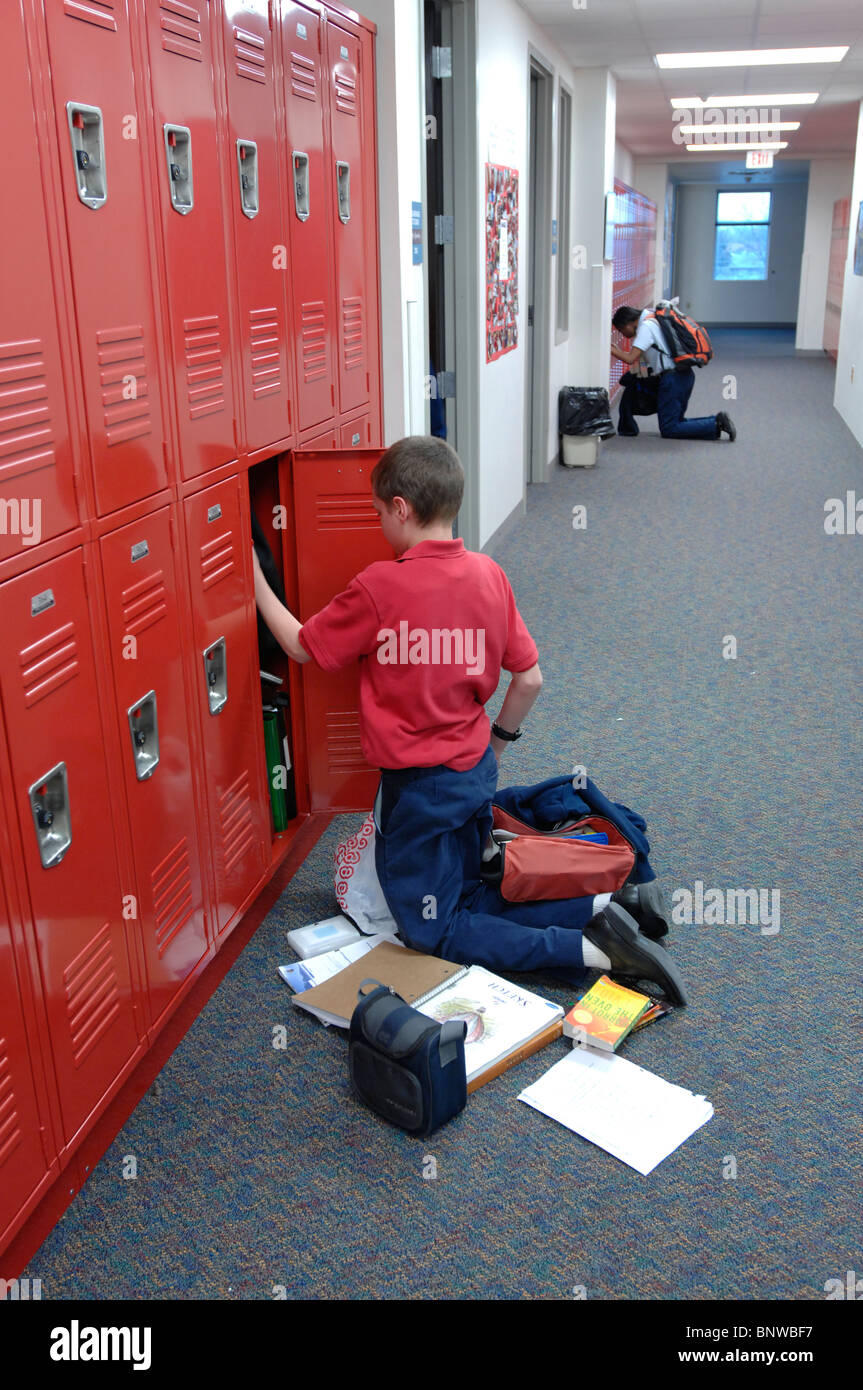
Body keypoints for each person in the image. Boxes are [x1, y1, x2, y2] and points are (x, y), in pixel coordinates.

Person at [252, 435, 687, 1003]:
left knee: (434, 928)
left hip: (419, 792)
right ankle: (604, 904)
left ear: (401, 508)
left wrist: (252, 577)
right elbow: (529, 679)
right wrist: (498, 745)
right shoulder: (489, 575)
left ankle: (592, 950)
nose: (380, 522)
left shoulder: (380, 587)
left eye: (380, 511)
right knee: (464, 890)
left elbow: (304, 646)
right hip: (474, 769)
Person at [611, 304, 736, 442]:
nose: (623, 335)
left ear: (627, 324)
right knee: (676, 422)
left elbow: (630, 358)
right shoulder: (653, 317)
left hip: (673, 379)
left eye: (621, 331)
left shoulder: (645, 327)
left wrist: (610, 348)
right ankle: (715, 422)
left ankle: (715, 423)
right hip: (684, 376)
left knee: (670, 428)